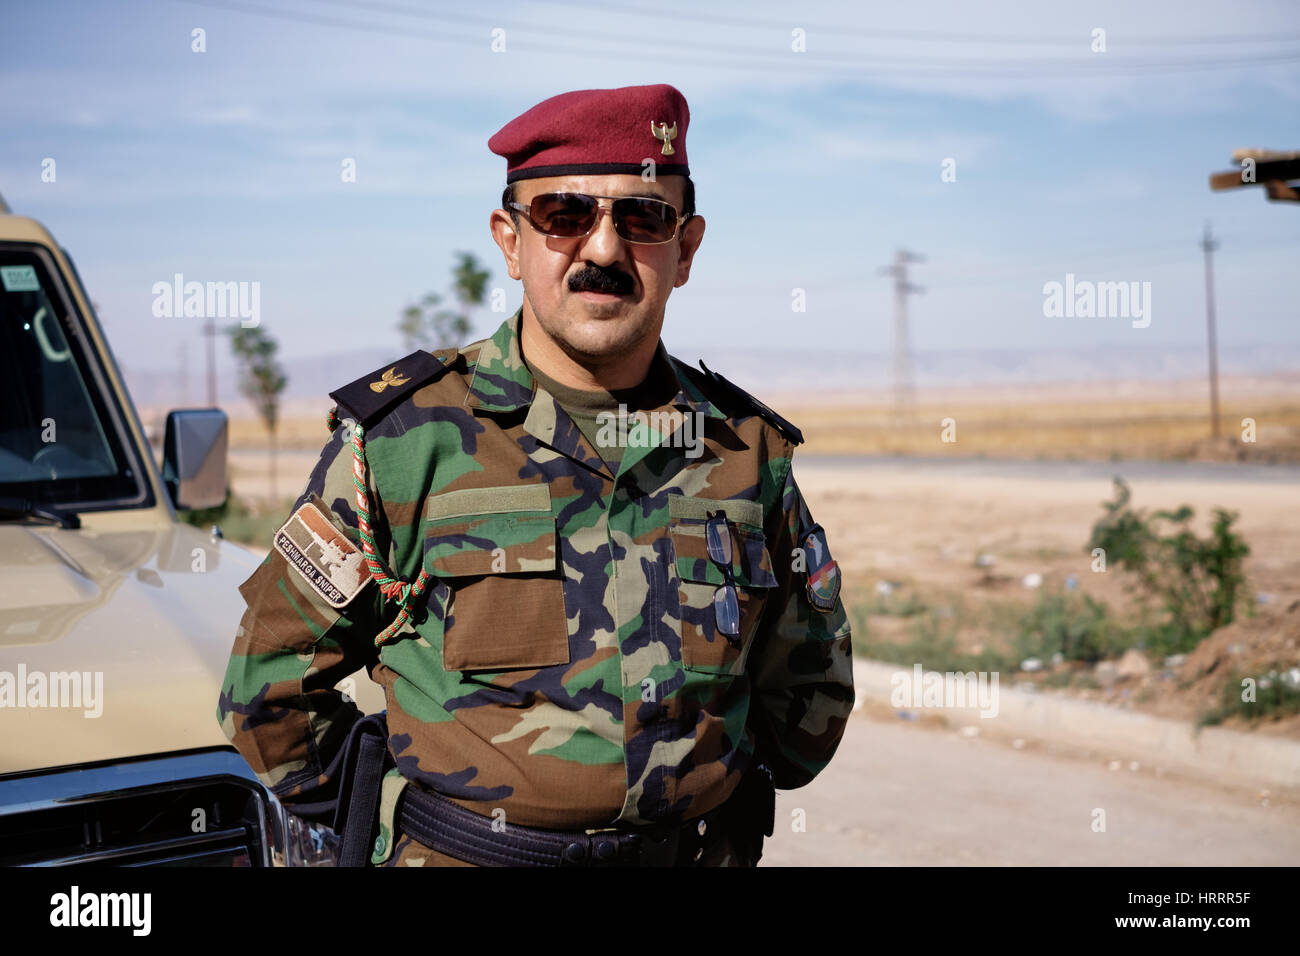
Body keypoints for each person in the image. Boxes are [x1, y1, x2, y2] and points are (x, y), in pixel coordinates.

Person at [217, 83, 854, 867]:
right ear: (510, 240)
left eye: (643, 217)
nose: (604, 251)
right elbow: (267, 690)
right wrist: (393, 819)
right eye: (564, 215)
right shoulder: (408, 442)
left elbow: (807, 704)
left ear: (684, 249)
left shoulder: (743, 447)